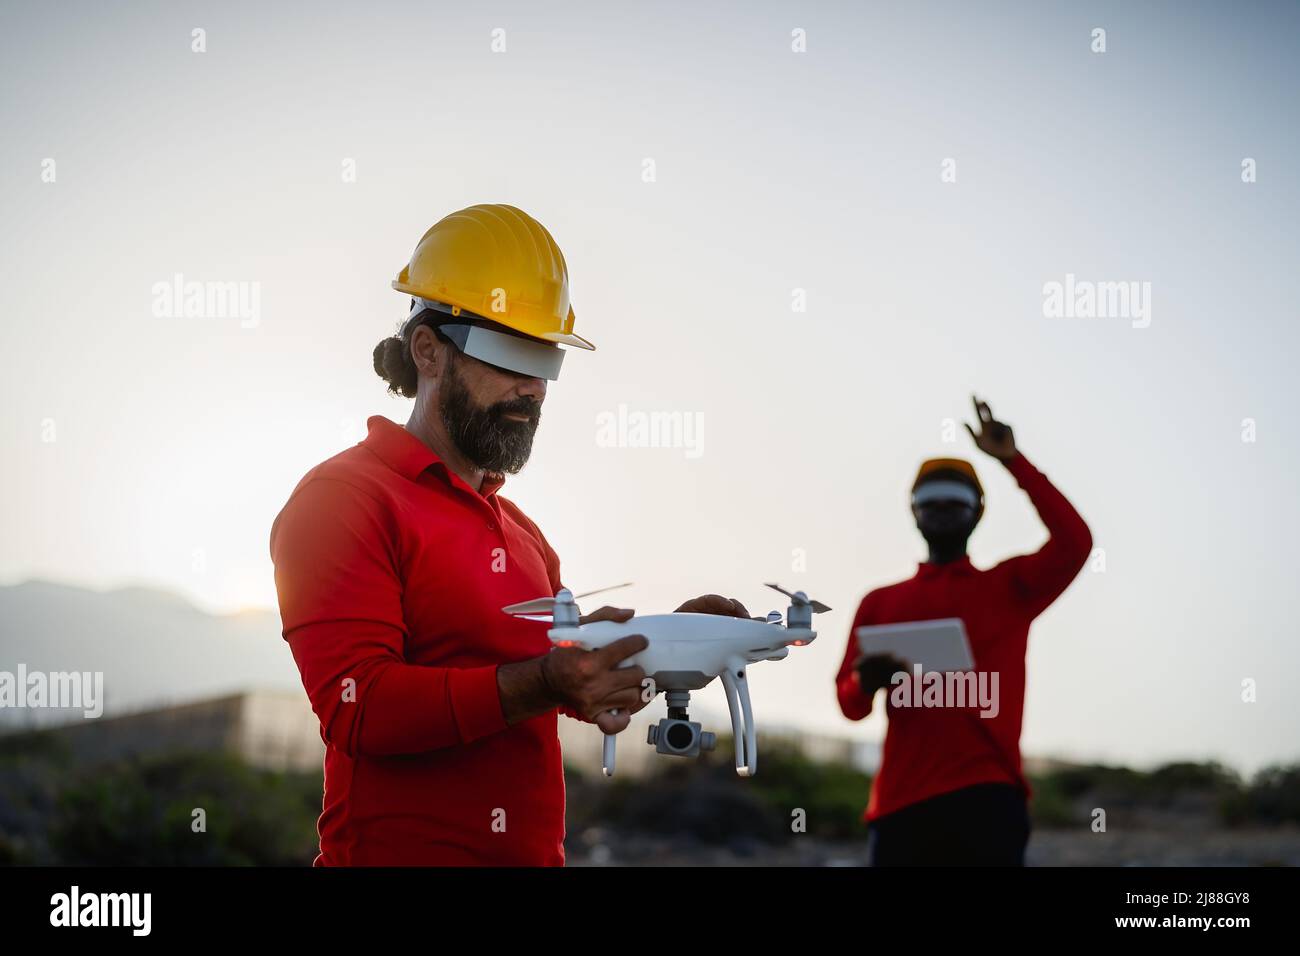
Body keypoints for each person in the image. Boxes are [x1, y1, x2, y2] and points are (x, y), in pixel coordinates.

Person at [270, 204, 751, 865]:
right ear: (428, 350)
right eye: (507, 357)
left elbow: (569, 684)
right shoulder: (345, 498)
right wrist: (547, 681)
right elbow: (359, 707)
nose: (532, 389)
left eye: (544, 361)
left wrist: (666, 653)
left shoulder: (524, 535)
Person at [836, 397, 1092, 865]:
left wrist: (1015, 462)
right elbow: (849, 703)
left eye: (957, 501)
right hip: (900, 803)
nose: (942, 509)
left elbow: (1076, 543)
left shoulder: (1010, 587)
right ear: (913, 512)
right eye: (929, 501)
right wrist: (865, 682)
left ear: (978, 512)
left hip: (988, 799)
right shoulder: (880, 602)